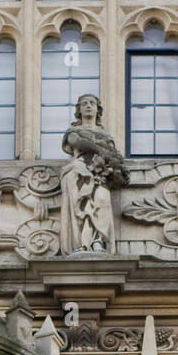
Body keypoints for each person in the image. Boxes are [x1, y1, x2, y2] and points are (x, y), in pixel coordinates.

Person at [61, 93, 127, 252]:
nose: (88, 106)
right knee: (79, 206)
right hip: (79, 170)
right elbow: (77, 142)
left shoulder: (105, 134)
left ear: (98, 110)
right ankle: (80, 244)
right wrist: (100, 149)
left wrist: (105, 154)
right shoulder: (74, 131)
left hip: (100, 173)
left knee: (102, 200)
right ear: (79, 110)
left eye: (92, 103)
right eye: (84, 104)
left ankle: (98, 240)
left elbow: (113, 154)